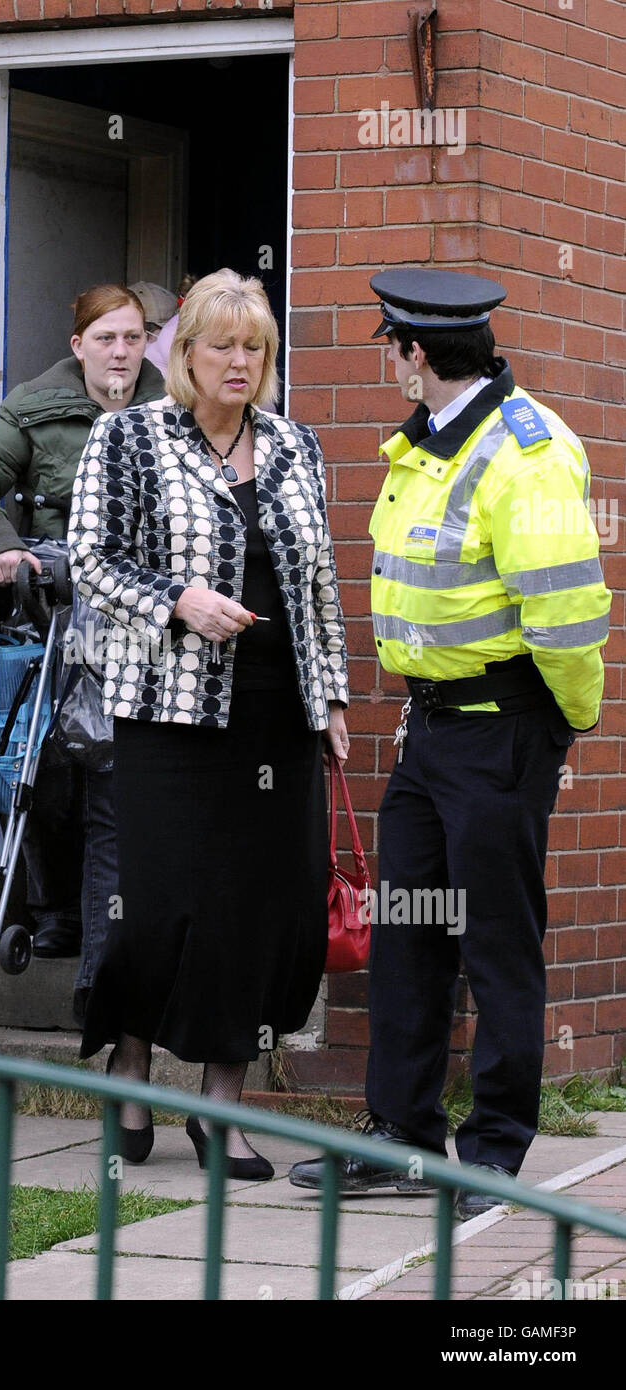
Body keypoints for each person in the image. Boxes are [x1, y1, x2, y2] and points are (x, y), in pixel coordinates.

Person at [289, 267, 610, 1216]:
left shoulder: (525, 449)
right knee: (413, 931)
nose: (389, 361)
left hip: (499, 734)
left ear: (414, 353)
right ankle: (401, 1136)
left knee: (496, 940)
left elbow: (567, 613)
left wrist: (564, 725)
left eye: (390, 347)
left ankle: (494, 1152)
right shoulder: (429, 441)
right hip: (430, 733)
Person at [69, 268, 350, 1179]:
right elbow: (91, 562)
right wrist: (178, 600)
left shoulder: (295, 444)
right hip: (170, 712)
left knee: (262, 914)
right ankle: (133, 1059)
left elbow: (320, 583)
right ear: (181, 352)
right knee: (158, 910)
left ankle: (220, 1110)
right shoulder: (128, 437)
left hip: (279, 716)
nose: (239, 362)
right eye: (221, 345)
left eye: (254, 348)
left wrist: (333, 696)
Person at [0, 286, 165, 1012]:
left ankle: (105, 961)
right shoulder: (35, 411)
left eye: (132, 337)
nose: (121, 353)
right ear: (79, 346)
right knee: (45, 778)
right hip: (53, 627)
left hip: (142, 635)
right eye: (106, 338)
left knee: (117, 790)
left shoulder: (176, 412)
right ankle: (54, 918)